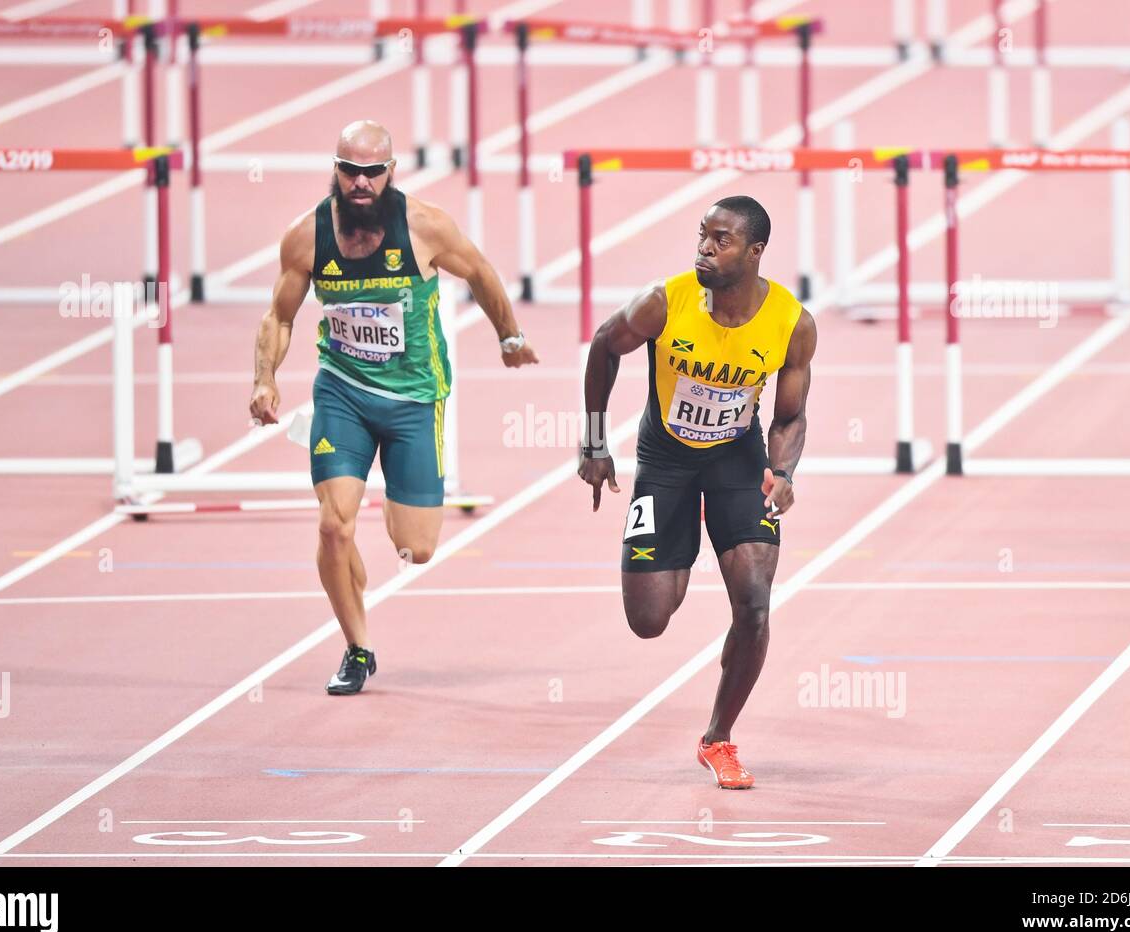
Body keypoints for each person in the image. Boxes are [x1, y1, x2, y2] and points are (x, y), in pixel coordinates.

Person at [250, 120, 538, 695]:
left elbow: (479, 271)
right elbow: (280, 315)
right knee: (334, 526)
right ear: (335, 170)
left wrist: (509, 335)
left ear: (390, 173)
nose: (360, 183)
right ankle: (358, 647)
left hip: (413, 400)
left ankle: (389, 496)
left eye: (371, 172)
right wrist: (264, 380)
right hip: (342, 391)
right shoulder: (307, 237)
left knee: (417, 548)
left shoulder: (424, 226)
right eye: (349, 171)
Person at [577, 196, 816, 789]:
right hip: (666, 461)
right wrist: (594, 443)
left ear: (755, 252)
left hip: (738, 463)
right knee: (649, 618)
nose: (705, 248)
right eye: (702, 236)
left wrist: (782, 475)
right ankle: (675, 550)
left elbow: (788, 416)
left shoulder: (790, 323)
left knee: (755, 603)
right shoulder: (667, 301)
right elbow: (605, 345)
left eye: (721, 240)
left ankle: (719, 738)